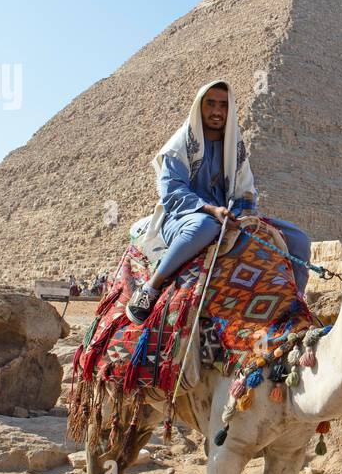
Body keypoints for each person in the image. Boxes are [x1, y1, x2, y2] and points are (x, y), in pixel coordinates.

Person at [125, 79, 311, 324]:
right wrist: (211, 209)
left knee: (297, 239)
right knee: (204, 226)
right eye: (210, 104)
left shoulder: (235, 147)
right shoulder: (181, 145)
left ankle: (294, 304)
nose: (216, 111)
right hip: (182, 216)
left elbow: (245, 191)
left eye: (223, 105)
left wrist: (241, 217)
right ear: (199, 107)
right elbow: (171, 191)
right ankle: (151, 288)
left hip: (227, 217)